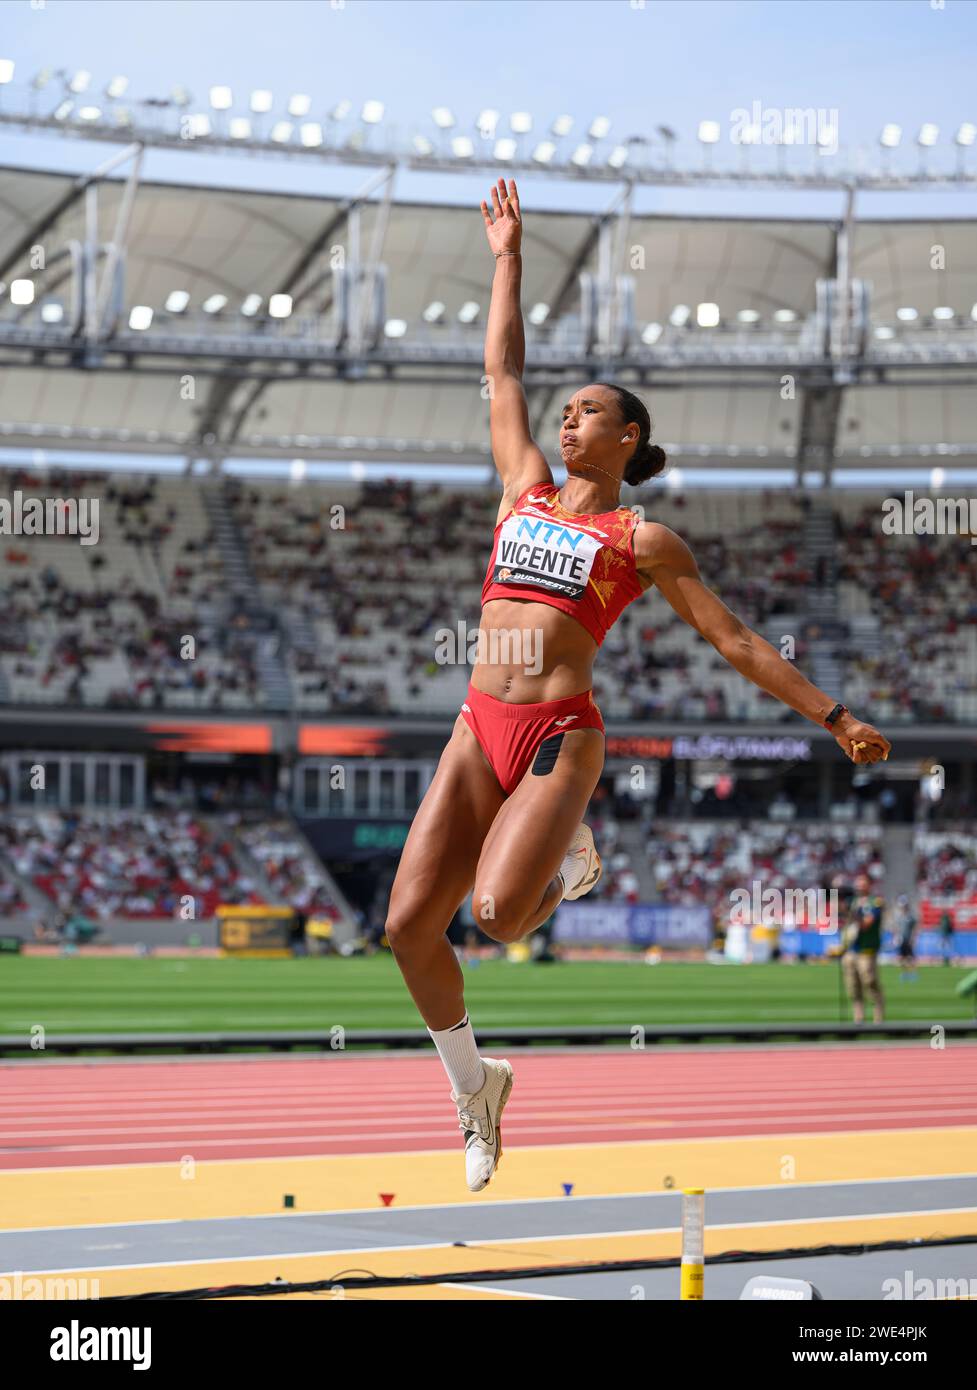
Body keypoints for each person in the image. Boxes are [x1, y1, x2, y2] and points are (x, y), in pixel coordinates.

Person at [383, 177, 892, 1193]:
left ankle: (566, 857)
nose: (567, 420)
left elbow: (734, 639)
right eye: (565, 410)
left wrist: (829, 712)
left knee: (492, 915)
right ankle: (474, 1088)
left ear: (624, 441)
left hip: (557, 734)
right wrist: (508, 260)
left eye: (589, 414)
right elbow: (500, 368)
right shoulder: (520, 485)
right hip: (475, 722)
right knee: (403, 928)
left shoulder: (639, 538)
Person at [843, 873, 885, 1023]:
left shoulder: (875, 902)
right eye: (858, 882)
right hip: (852, 949)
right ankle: (858, 1017)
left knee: (870, 981)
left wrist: (853, 914)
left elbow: (867, 924)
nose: (859, 885)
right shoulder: (853, 902)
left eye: (863, 882)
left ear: (869, 885)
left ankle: (878, 1016)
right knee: (853, 985)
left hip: (867, 950)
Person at [894, 894, 917, 982]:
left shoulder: (910, 916)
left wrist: (913, 938)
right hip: (901, 940)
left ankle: (913, 974)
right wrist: (896, 937)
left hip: (908, 940)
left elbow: (915, 928)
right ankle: (905, 973)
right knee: (901, 958)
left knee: (910, 957)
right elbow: (896, 928)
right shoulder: (898, 916)